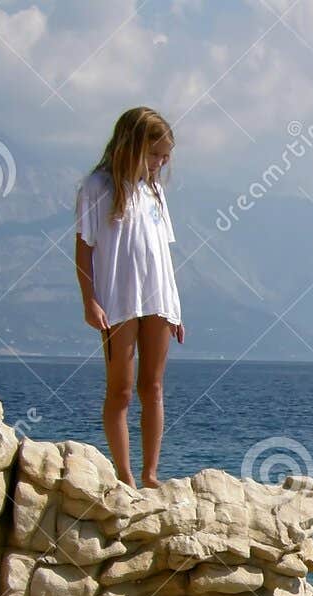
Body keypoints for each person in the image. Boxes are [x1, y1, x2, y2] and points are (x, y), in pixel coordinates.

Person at [74, 106, 185, 489]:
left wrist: (175, 308)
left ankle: (150, 474)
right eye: (154, 154)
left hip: (157, 300)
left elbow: (162, 255)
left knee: (152, 387)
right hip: (117, 302)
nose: (159, 163)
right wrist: (90, 300)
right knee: (120, 389)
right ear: (132, 146)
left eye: (164, 156)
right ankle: (123, 475)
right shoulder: (97, 187)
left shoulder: (155, 192)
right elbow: (84, 249)